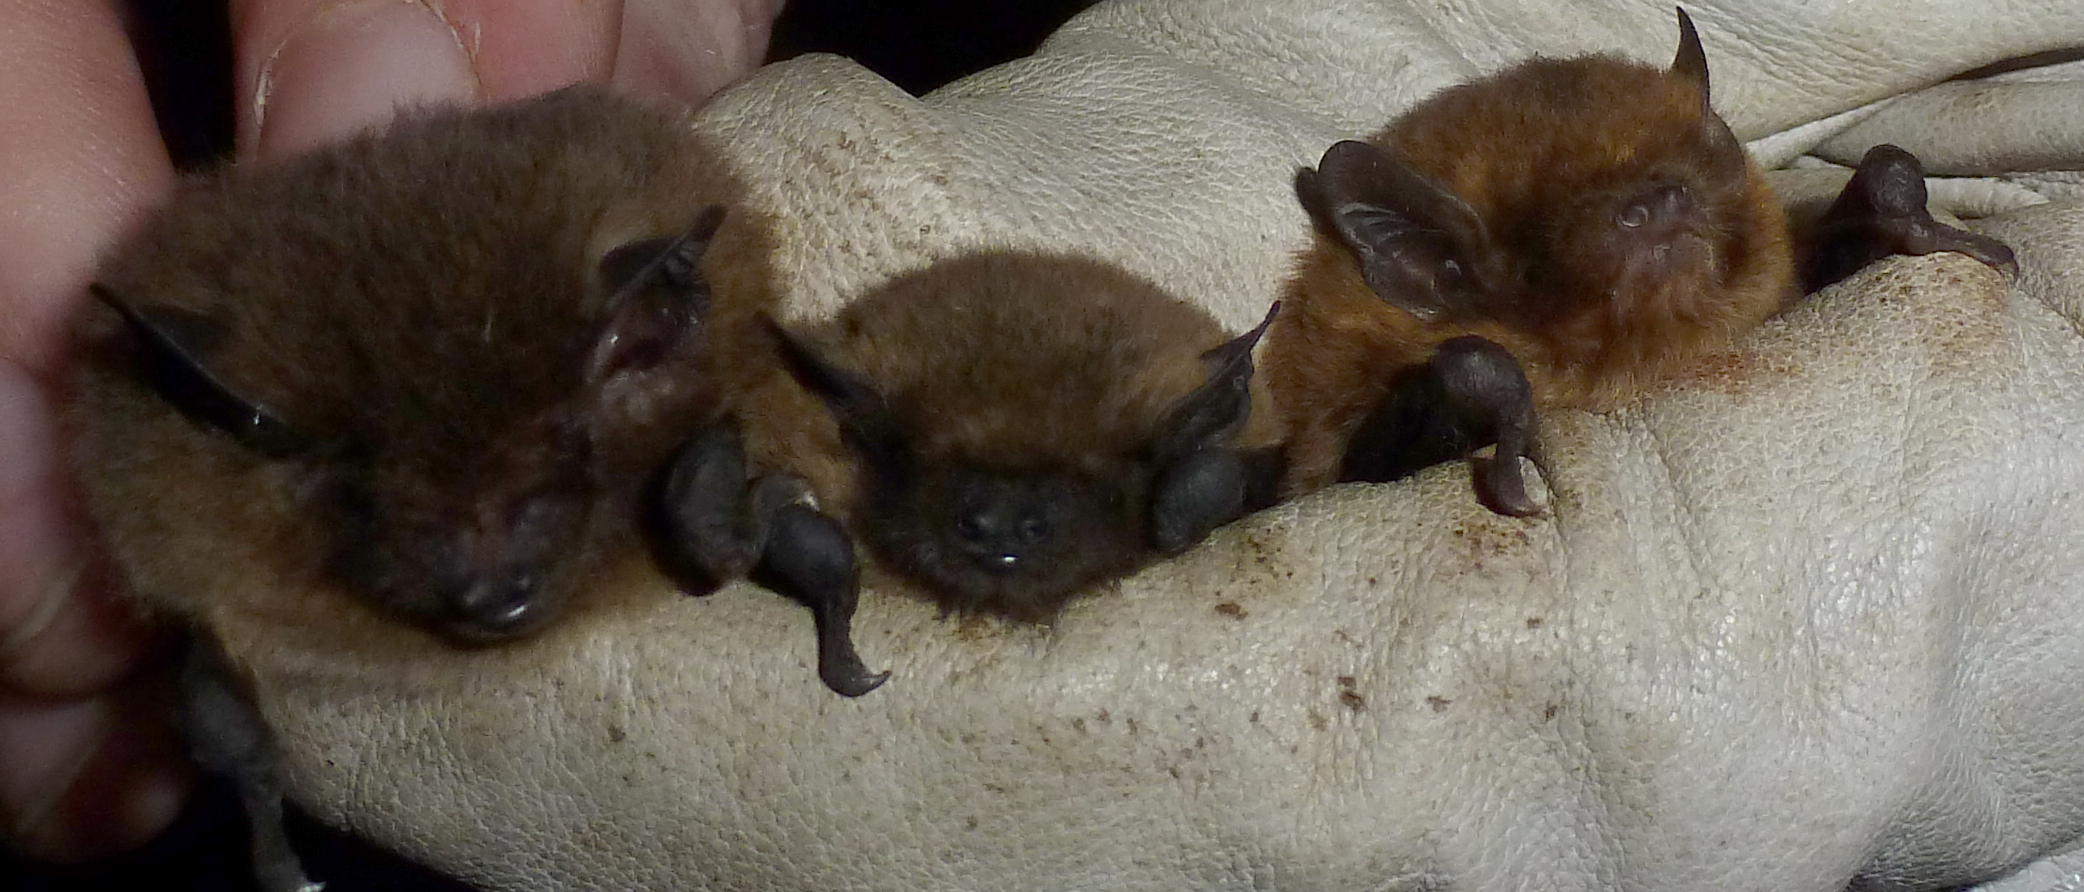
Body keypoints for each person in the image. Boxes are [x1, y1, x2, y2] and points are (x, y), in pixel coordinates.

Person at [0, 0, 778, 864]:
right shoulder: (216, 503)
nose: (484, 575)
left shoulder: (695, 363)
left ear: (655, 325)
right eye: (391, 498)